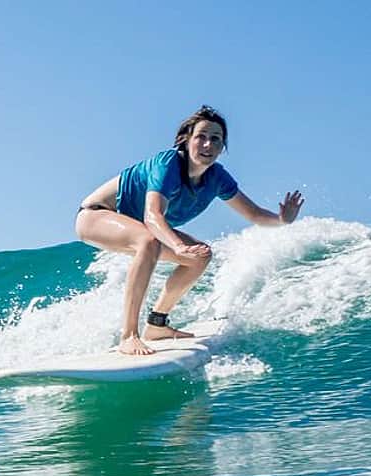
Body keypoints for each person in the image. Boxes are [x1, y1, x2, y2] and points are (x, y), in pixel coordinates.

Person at [75, 106, 304, 355]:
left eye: (215, 139)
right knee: (149, 241)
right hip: (95, 215)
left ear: (222, 146)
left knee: (200, 256)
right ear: (187, 140)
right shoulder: (168, 165)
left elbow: (255, 214)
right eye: (201, 137)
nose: (208, 144)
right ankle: (128, 335)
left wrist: (282, 220)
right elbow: (153, 215)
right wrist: (177, 245)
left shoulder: (217, 178)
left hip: (139, 226)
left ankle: (157, 324)